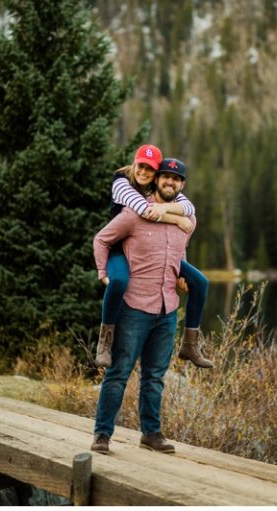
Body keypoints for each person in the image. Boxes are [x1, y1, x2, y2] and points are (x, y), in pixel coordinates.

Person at [91, 157, 196, 454]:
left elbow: (178, 252)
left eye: (176, 180)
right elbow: (101, 239)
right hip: (134, 307)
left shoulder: (186, 219)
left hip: (167, 310)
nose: (169, 183)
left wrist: (181, 275)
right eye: (165, 177)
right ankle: (102, 435)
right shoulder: (134, 212)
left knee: (154, 376)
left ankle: (150, 433)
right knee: (118, 373)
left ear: (182, 185)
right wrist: (103, 274)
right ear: (156, 180)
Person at [95, 144, 213, 369]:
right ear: (134, 164)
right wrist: (176, 218)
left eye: (150, 169)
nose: (144, 172)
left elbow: (188, 207)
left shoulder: (154, 187)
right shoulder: (121, 182)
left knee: (200, 282)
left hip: (159, 256)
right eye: (141, 166)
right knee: (119, 281)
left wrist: (181, 269)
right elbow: (145, 210)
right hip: (119, 249)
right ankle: (104, 342)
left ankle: (190, 344)